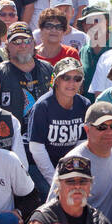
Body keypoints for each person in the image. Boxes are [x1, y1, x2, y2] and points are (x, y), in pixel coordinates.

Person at [47, 101, 112, 222]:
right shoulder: (72, 162)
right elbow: (51, 209)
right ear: (87, 129)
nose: (109, 132)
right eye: (101, 127)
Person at [27, 57, 91, 191]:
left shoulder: (84, 105)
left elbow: (82, 144)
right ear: (56, 80)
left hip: (68, 166)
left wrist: (72, 174)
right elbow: (37, 149)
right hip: (39, 166)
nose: (72, 83)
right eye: (66, 78)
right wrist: (55, 181)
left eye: (77, 78)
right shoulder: (42, 106)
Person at [0, 23, 52, 132]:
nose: (23, 45)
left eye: (27, 41)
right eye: (16, 42)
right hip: (12, 137)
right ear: (7, 45)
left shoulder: (48, 69)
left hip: (44, 135)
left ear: (34, 43)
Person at [79, 2, 112, 93]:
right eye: (88, 21)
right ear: (84, 27)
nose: (93, 25)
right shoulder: (83, 51)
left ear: (107, 23)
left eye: (97, 20)